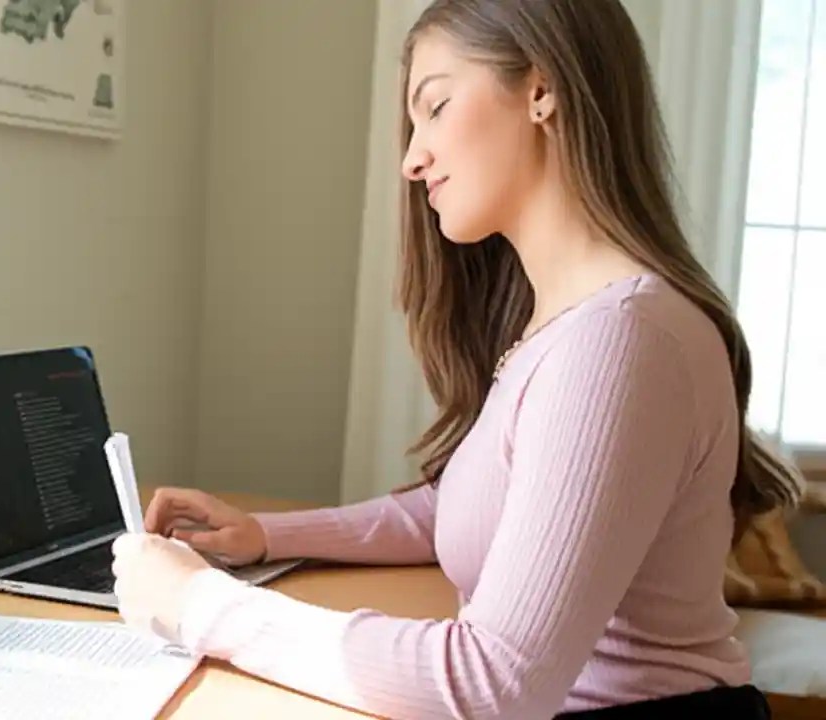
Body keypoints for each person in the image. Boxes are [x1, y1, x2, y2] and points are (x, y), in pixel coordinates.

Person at [109, 1, 804, 718]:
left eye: (434, 106)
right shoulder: (568, 323)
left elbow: (492, 684)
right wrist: (266, 536)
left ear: (541, 89)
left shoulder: (621, 342)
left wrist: (198, 605)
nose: (412, 157)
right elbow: (476, 501)